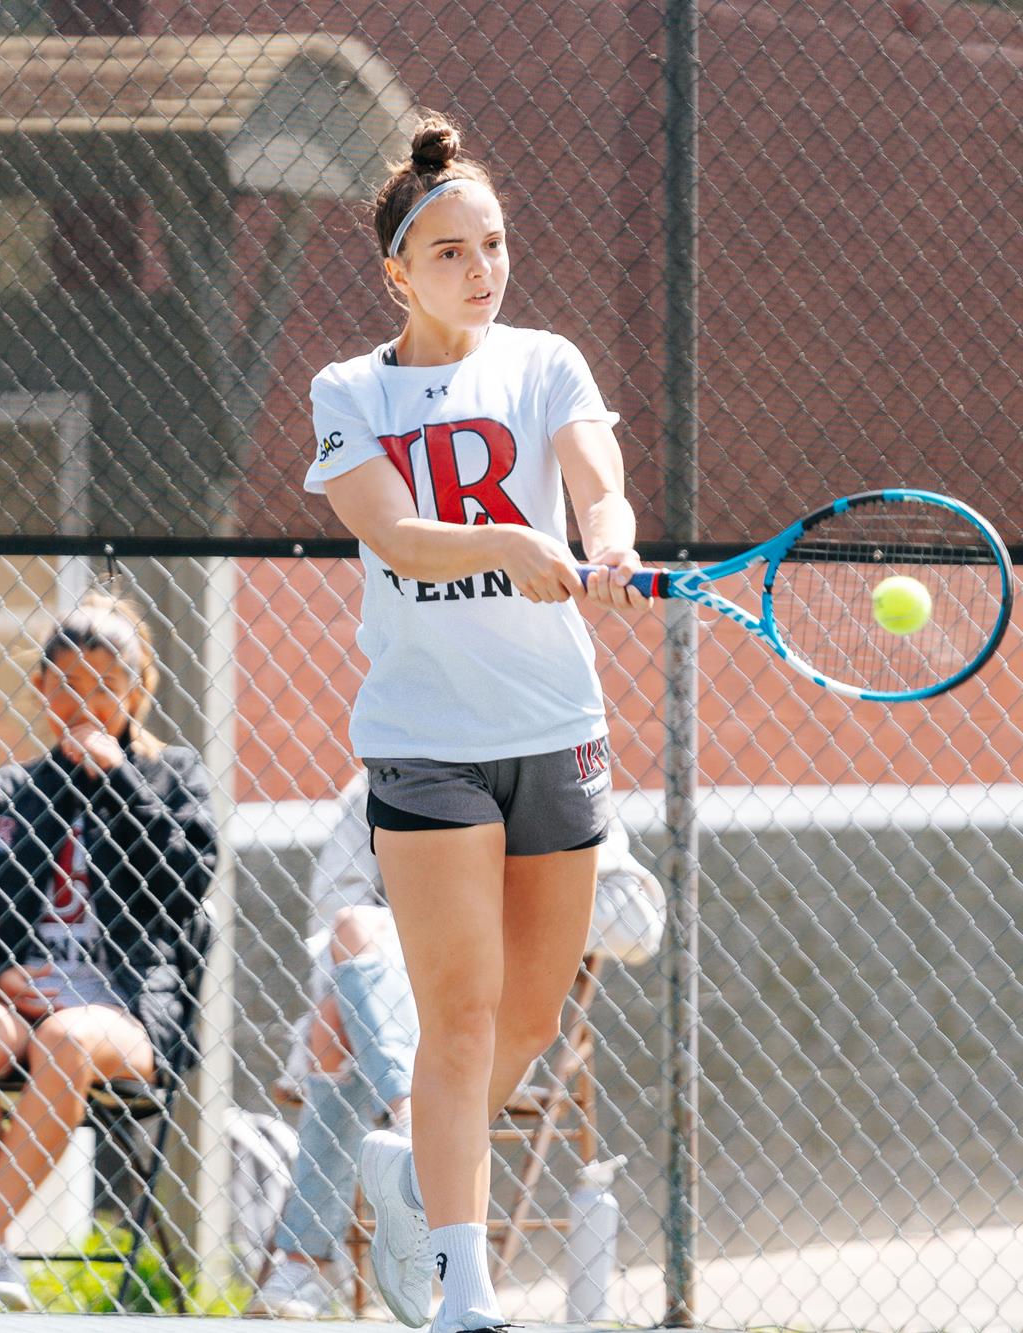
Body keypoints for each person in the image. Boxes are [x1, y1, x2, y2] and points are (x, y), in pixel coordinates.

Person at [304, 113, 648, 1333]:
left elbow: (598, 484)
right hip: (424, 743)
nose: (481, 268)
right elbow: (394, 534)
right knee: (458, 1009)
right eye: (450, 251)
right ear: (397, 271)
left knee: (532, 1018)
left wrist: (604, 542)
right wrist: (514, 545)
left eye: (493, 245)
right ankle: (462, 1283)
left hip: (556, 730)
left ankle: (411, 1162)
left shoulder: (546, 360)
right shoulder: (347, 390)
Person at [251, 776, 664, 1318]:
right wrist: (435, 930)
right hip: (398, 984)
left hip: (494, 1008)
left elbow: (638, 925)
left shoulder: (550, 776)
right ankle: (410, 1134)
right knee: (348, 960)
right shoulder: (389, 777)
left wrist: (509, 913)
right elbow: (334, 917)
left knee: (335, 1028)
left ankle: (305, 1260)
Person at [0, 594, 216, 1310]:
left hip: (126, 1009)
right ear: (41, 691)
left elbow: (183, 884)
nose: (84, 701)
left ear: (137, 690)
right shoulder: (13, 789)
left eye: (104, 685)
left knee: (65, 1036)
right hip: (23, 999)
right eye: (66, 685)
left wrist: (116, 779)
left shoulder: (172, 774)